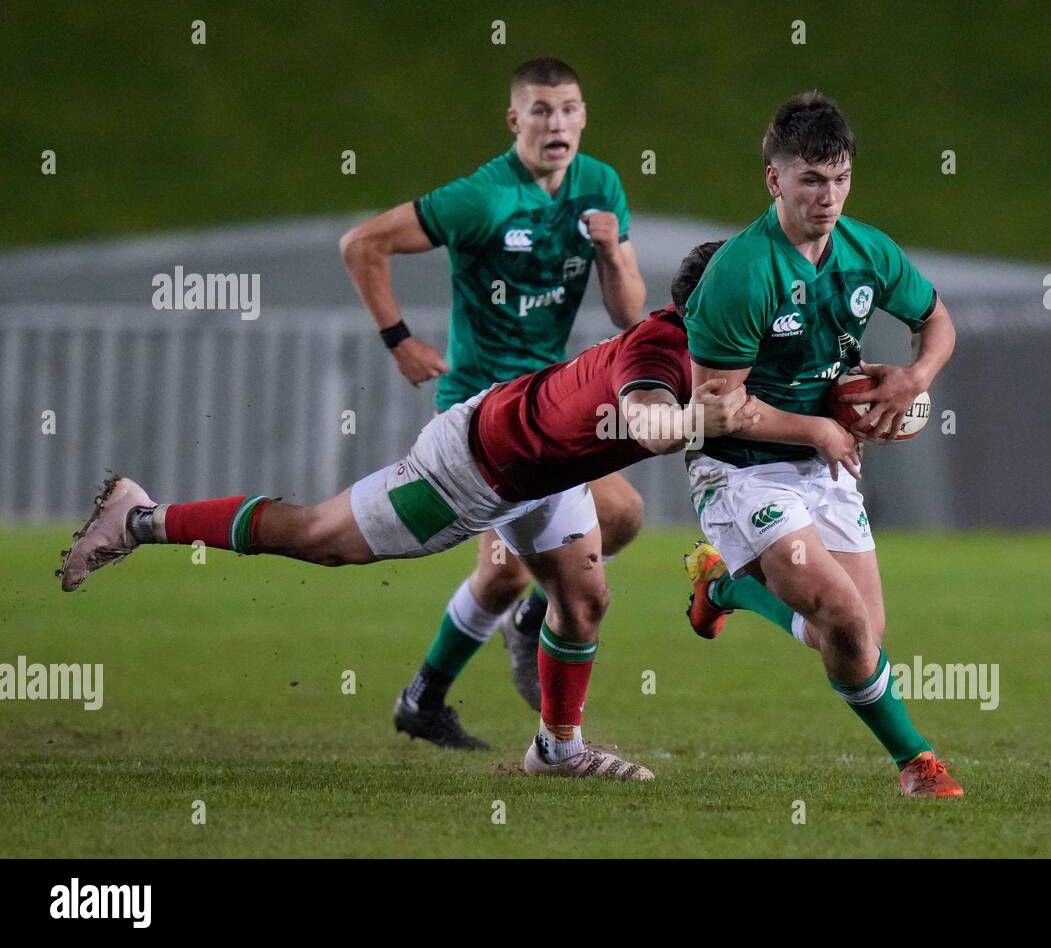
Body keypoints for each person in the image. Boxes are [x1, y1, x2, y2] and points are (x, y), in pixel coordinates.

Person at [59, 243, 752, 783]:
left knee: (586, 595)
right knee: (318, 537)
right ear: (712, 305)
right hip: (476, 468)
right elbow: (653, 423)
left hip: (538, 467)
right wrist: (703, 419)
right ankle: (141, 518)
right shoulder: (663, 347)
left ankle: (557, 749)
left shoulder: (716, 345)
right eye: (748, 290)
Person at [339, 57, 647, 748]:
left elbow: (629, 316)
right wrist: (399, 340)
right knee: (533, 560)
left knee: (608, 521)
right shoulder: (482, 199)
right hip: (483, 411)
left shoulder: (600, 187)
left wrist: (614, 255)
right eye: (540, 110)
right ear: (516, 121)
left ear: (584, 116)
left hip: (551, 404)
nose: (556, 123)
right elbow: (363, 244)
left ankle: (434, 692)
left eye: (568, 108)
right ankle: (481, 692)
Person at [680, 92, 965, 798]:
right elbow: (715, 412)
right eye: (810, 179)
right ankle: (918, 763)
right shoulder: (742, 274)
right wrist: (815, 426)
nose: (827, 196)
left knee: (856, 637)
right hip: (742, 469)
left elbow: (936, 322)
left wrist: (913, 378)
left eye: (838, 178)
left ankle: (726, 586)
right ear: (774, 180)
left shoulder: (869, 251)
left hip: (823, 460)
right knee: (837, 613)